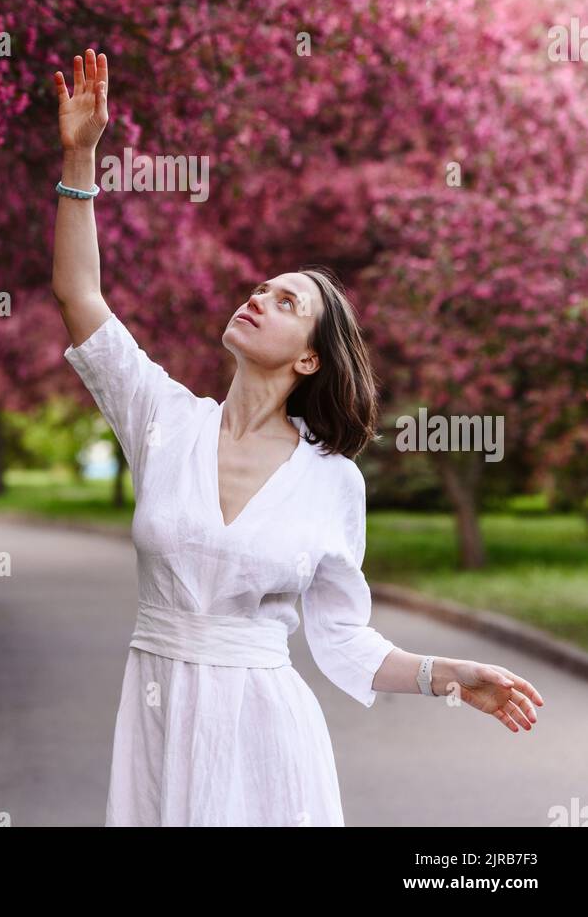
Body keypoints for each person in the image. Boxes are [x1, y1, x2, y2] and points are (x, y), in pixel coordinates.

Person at [51, 47, 545, 828]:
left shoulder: (330, 481)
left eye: (285, 301)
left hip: (267, 742)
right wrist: (82, 156)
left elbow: (345, 640)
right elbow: (79, 294)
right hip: (157, 718)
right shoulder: (164, 421)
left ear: (310, 356)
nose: (258, 297)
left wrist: (447, 674)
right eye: (260, 287)